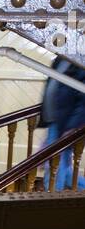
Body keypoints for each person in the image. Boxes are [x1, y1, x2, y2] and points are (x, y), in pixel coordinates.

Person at [37, 55, 85, 190]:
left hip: (67, 123)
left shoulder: (81, 61)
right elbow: (52, 86)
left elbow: (83, 102)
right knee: (64, 169)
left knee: (54, 167)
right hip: (54, 120)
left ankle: (50, 200)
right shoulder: (59, 59)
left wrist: (72, 127)